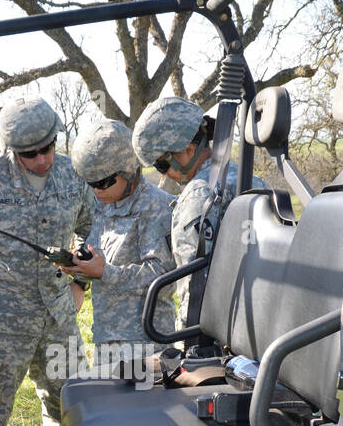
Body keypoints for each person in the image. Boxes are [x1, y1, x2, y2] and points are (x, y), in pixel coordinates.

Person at [0, 96, 95, 426]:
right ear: (12, 150)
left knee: (75, 408)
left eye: (47, 148)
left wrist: (81, 283)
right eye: (29, 153)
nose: (41, 160)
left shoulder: (74, 175)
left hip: (58, 313)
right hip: (0, 320)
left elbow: (96, 230)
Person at [69, 118, 175, 363]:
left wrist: (106, 272)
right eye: (91, 184)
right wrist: (80, 266)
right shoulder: (104, 205)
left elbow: (162, 276)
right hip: (107, 338)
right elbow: (98, 253)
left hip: (146, 345)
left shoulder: (156, 206)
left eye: (104, 183)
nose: (97, 191)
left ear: (129, 169)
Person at [132, 97, 245, 328]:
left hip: (217, 336)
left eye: (162, 165)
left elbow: (194, 292)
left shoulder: (197, 197)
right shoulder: (247, 178)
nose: (163, 174)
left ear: (188, 151)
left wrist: (187, 346)